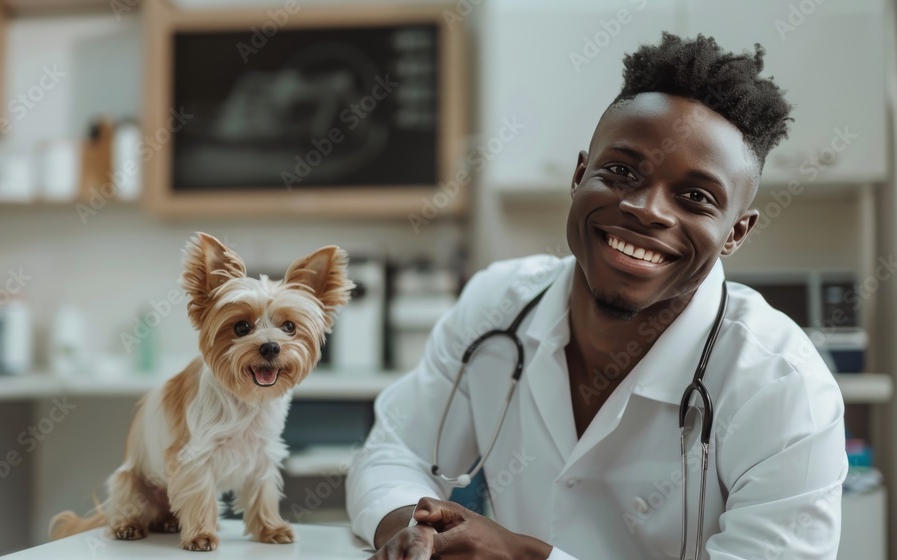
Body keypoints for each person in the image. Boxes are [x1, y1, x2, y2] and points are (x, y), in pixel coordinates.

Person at [346, 33, 848, 560]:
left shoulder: (784, 385)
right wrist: (411, 531)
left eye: (696, 197)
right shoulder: (498, 303)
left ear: (735, 233)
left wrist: (526, 556)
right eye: (622, 172)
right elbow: (395, 453)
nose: (647, 210)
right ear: (579, 174)